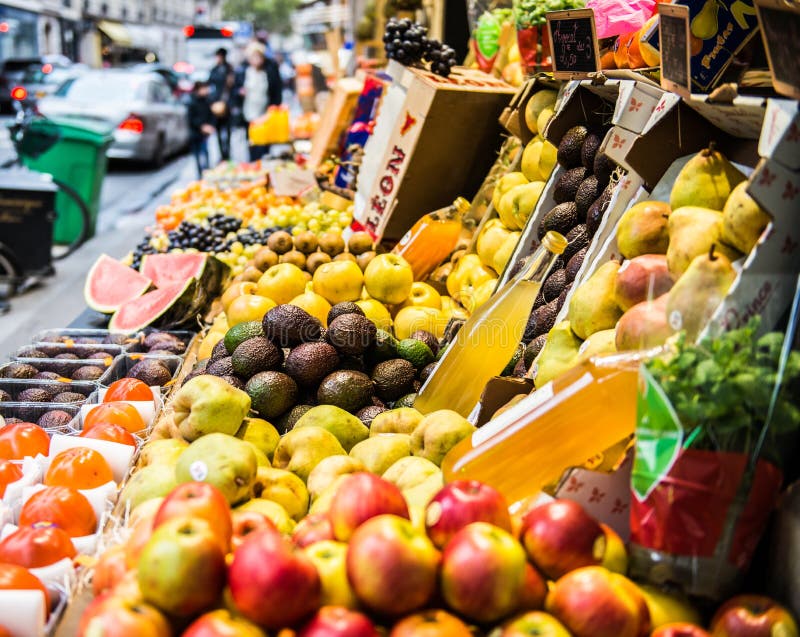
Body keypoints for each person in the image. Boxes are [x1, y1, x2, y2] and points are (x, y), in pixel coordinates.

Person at [241, 42, 283, 161]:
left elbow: (276, 89)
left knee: (264, 143)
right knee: (252, 143)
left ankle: (264, 162)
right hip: (249, 113)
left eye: (258, 56)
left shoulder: (269, 69)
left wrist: (274, 108)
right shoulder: (245, 71)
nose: (255, 60)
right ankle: (254, 163)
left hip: (265, 112)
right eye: (252, 57)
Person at [208, 47, 233, 161]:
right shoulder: (214, 70)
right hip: (216, 103)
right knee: (218, 130)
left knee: (227, 130)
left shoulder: (228, 69)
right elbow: (211, 86)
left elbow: (230, 86)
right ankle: (222, 154)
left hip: (226, 104)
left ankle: (227, 152)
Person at [187, 81, 215, 177]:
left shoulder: (207, 101)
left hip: (205, 134)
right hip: (196, 133)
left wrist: (210, 125)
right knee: (198, 155)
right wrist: (201, 126)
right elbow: (191, 119)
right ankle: (200, 174)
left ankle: (206, 172)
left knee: (205, 153)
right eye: (204, 88)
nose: (206, 91)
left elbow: (211, 115)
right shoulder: (192, 102)